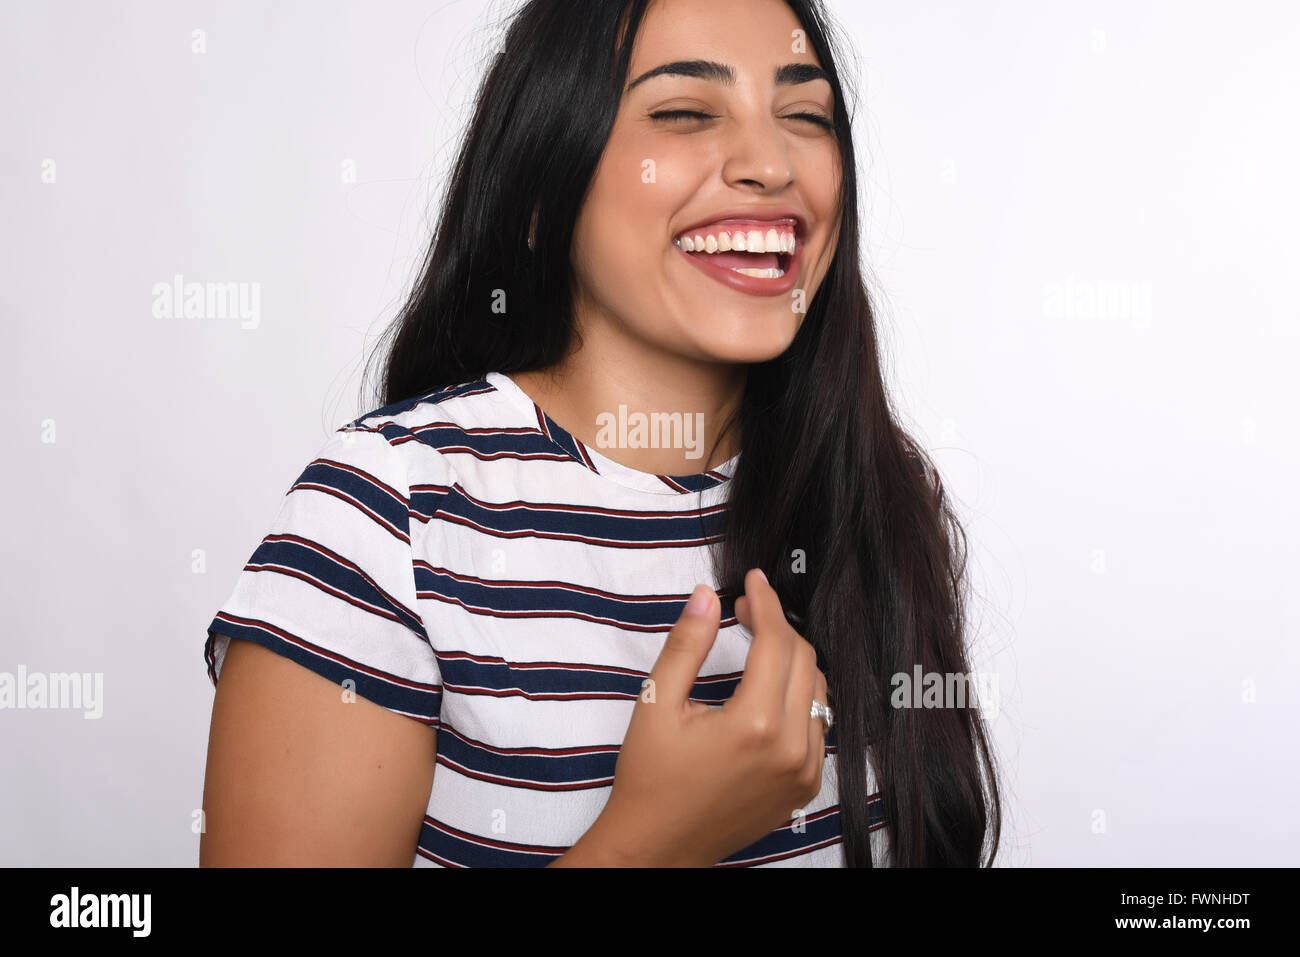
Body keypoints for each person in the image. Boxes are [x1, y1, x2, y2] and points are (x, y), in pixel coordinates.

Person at [199, 0, 1001, 867]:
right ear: (541, 188)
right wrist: (650, 840)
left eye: (805, 115)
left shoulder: (878, 491)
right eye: (685, 112)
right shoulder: (386, 516)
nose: (772, 165)